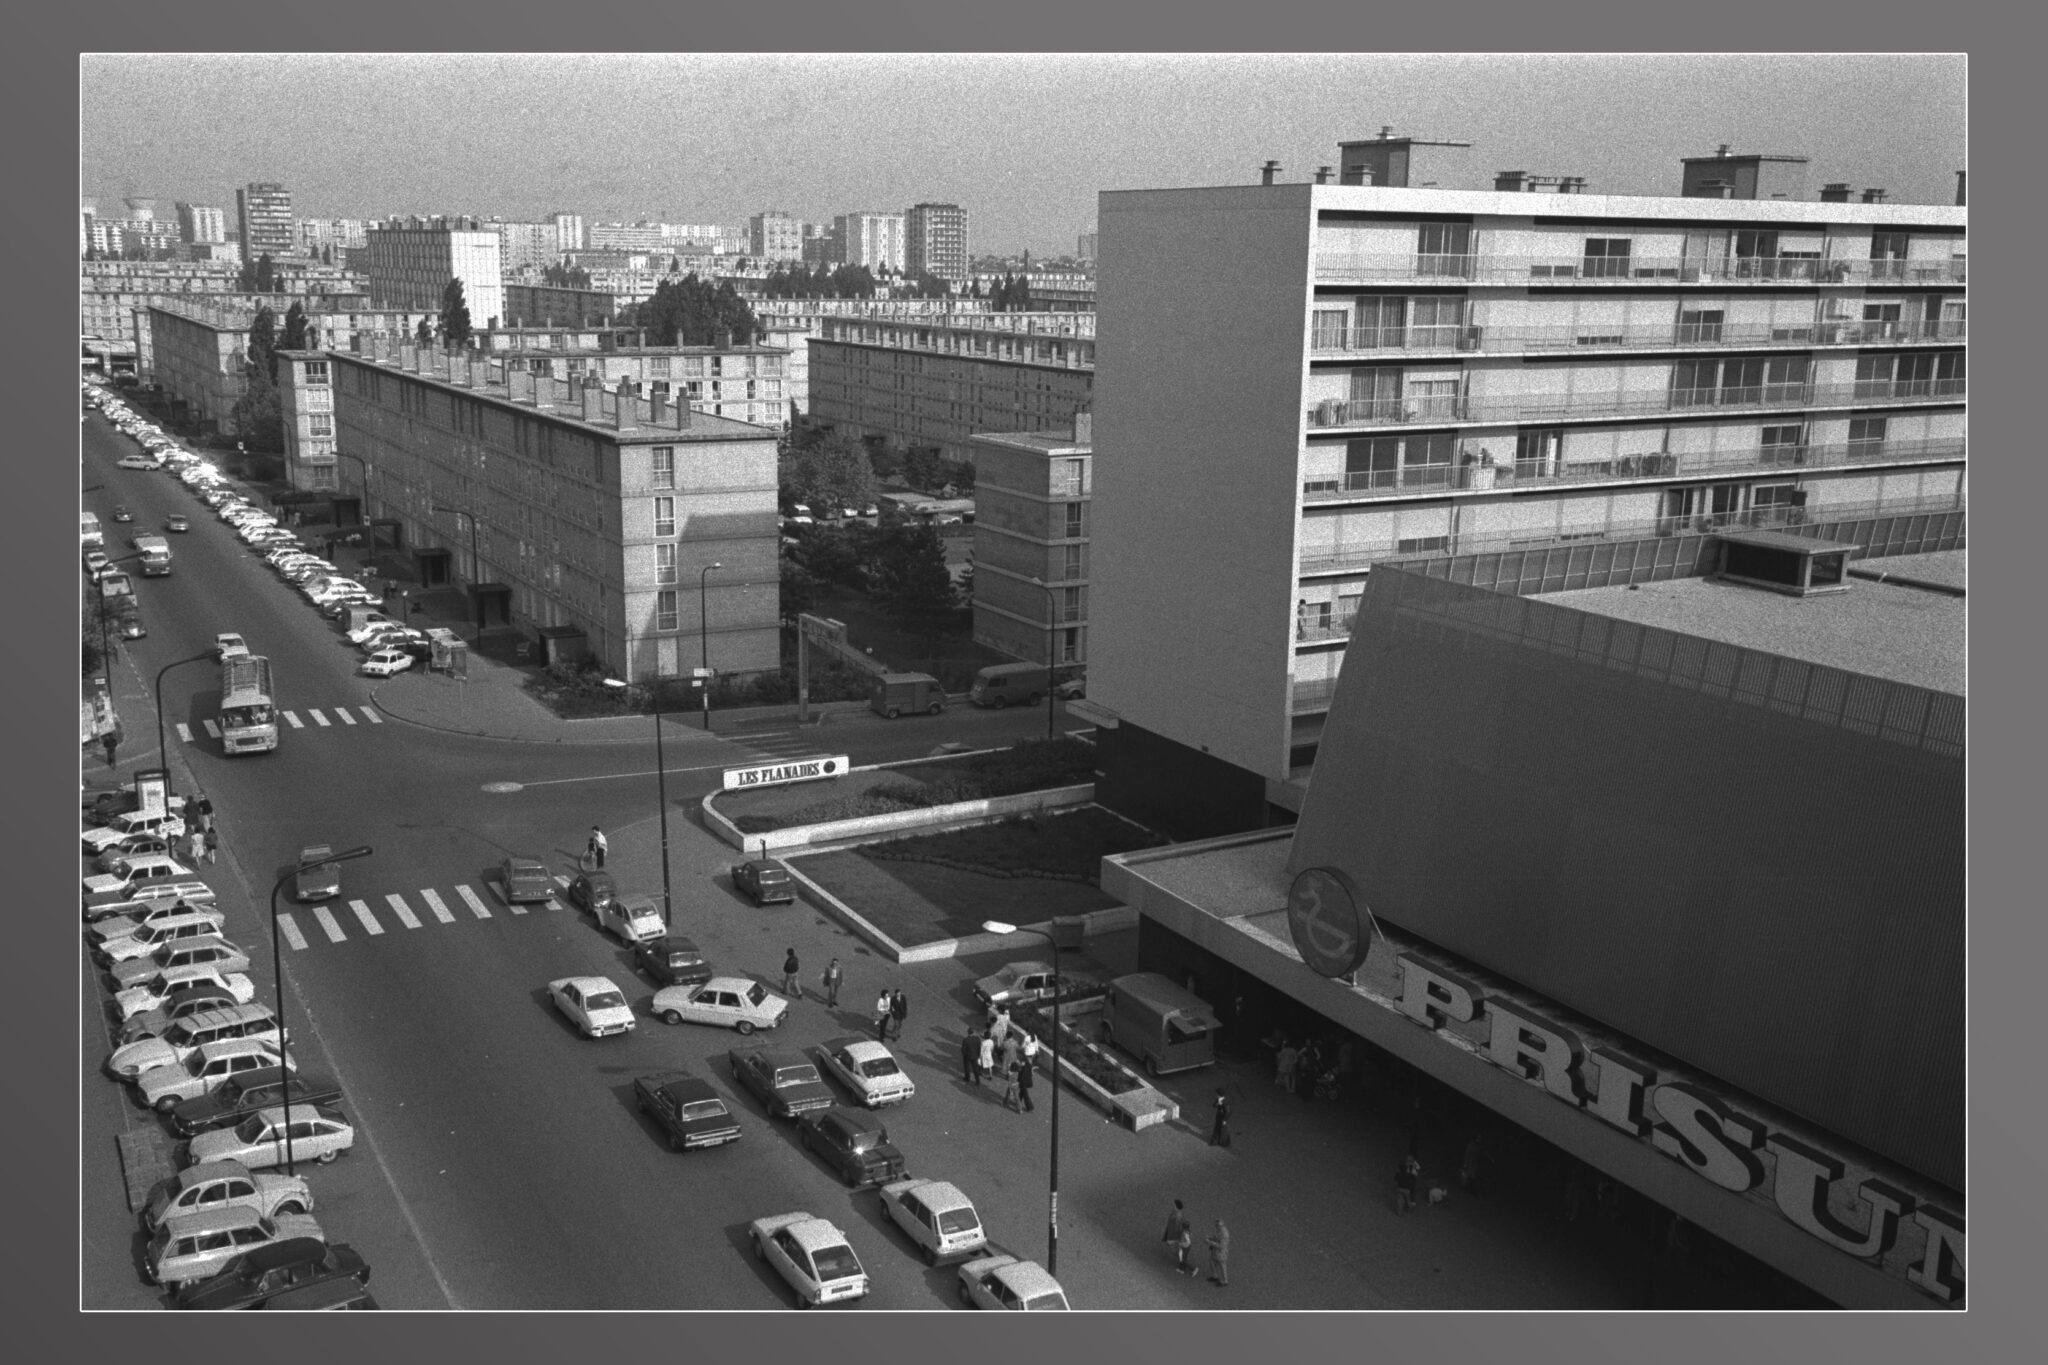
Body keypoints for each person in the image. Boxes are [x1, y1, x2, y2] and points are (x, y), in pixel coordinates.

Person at [1162, 1200, 1190, 1269]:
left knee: (1174, 1248)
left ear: (1176, 1206)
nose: (1173, 1205)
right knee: (1171, 1246)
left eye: (1174, 1205)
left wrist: (1173, 1238)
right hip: (1170, 1231)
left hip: (1173, 1234)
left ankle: (1181, 1261)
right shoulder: (1175, 1212)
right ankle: (1179, 1259)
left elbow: (1177, 1227)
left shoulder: (1178, 1215)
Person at [1206, 1218, 1230, 1288]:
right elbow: (1215, 1237)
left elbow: (1221, 1246)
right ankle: (1215, 1276)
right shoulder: (1219, 1230)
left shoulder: (1225, 1234)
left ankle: (1224, 1281)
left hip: (1221, 1252)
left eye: (1217, 1226)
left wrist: (1210, 1242)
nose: (1215, 1227)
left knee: (1222, 1266)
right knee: (1211, 1261)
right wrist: (1210, 1238)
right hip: (1215, 1251)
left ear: (1221, 1226)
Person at [1015, 1044, 1036, 1112]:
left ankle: (1029, 1107)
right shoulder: (1029, 1060)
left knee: (1024, 1093)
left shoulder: (1024, 1060)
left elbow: (1021, 1067)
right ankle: (1019, 1101)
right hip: (1027, 1078)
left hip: (1023, 1078)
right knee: (1022, 1091)